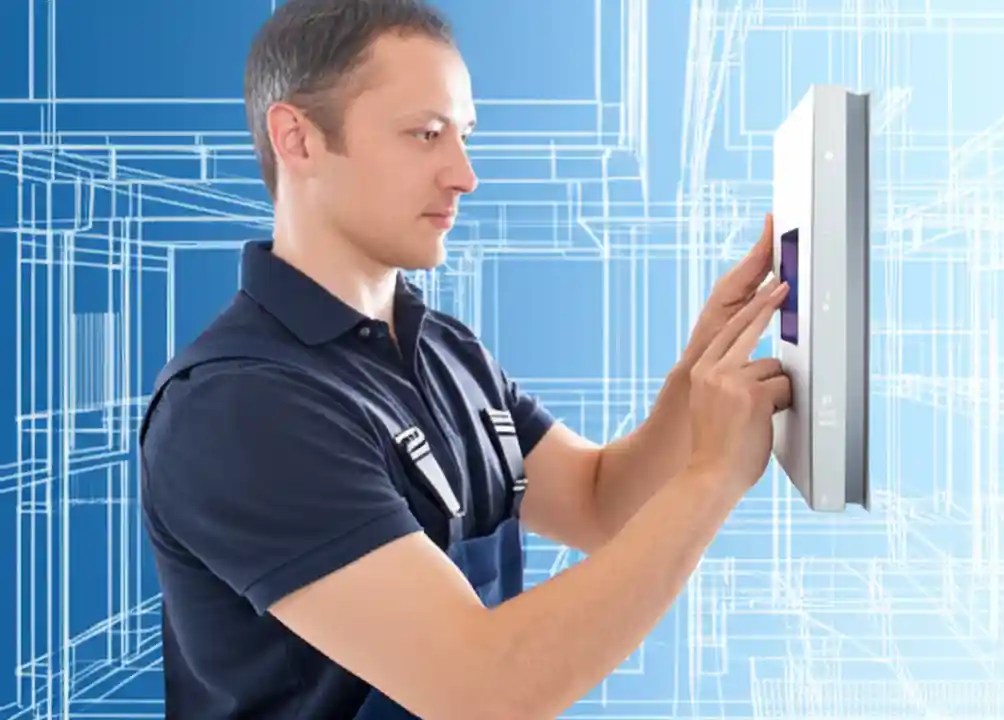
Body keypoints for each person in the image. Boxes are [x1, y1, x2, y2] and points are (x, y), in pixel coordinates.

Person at [137, 0, 792, 718]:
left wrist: (699, 371)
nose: (464, 174)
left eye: (463, 135)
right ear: (297, 139)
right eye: (425, 135)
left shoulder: (444, 349)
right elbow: (482, 688)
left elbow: (602, 504)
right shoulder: (241, 405)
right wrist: (713, 477)